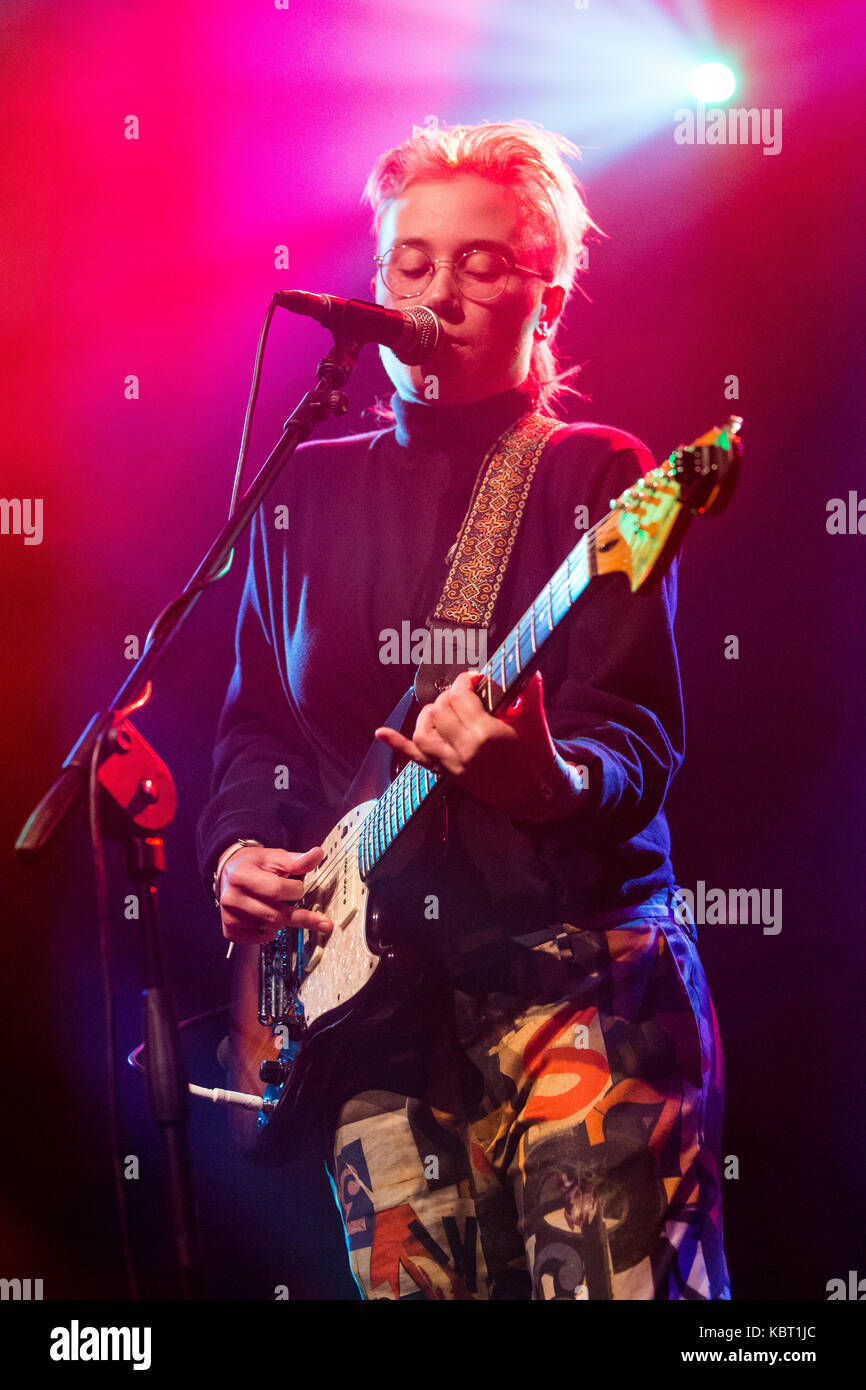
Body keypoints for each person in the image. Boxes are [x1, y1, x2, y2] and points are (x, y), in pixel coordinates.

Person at [197, 120, 731, 1301]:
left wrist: (541, 779)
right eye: (411, 262)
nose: (438, 290)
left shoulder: (598, 476)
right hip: (363, 1011)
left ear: (546, 298)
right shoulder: (307, 486)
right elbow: (258, 732)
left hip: (570, 981)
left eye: (481, 263)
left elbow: (633, 733)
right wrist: (237, 848)